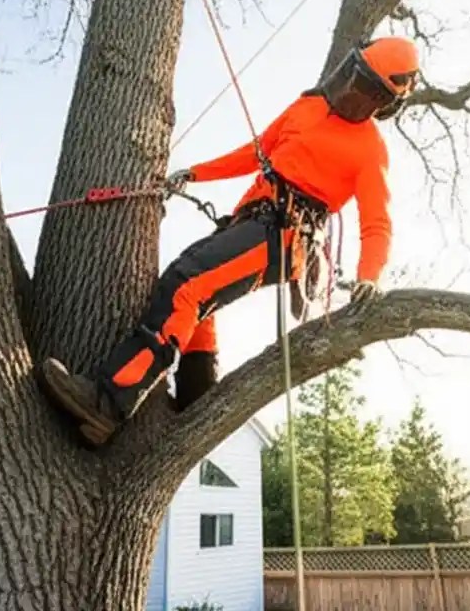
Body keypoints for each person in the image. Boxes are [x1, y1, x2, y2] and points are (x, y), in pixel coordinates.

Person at [39, 36, 421, 446]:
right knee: (197, 297)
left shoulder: (369, 149)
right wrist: (196, 173)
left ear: (383, 101)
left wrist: (369, 276)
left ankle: (107, 402)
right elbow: (253, 153)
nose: (349, 89)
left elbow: (377, 223)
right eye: (352, 75)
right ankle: (195, 398)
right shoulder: (307, 106)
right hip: (250, 221)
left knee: (186, 285)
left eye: (363, 88)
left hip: (284, 235)